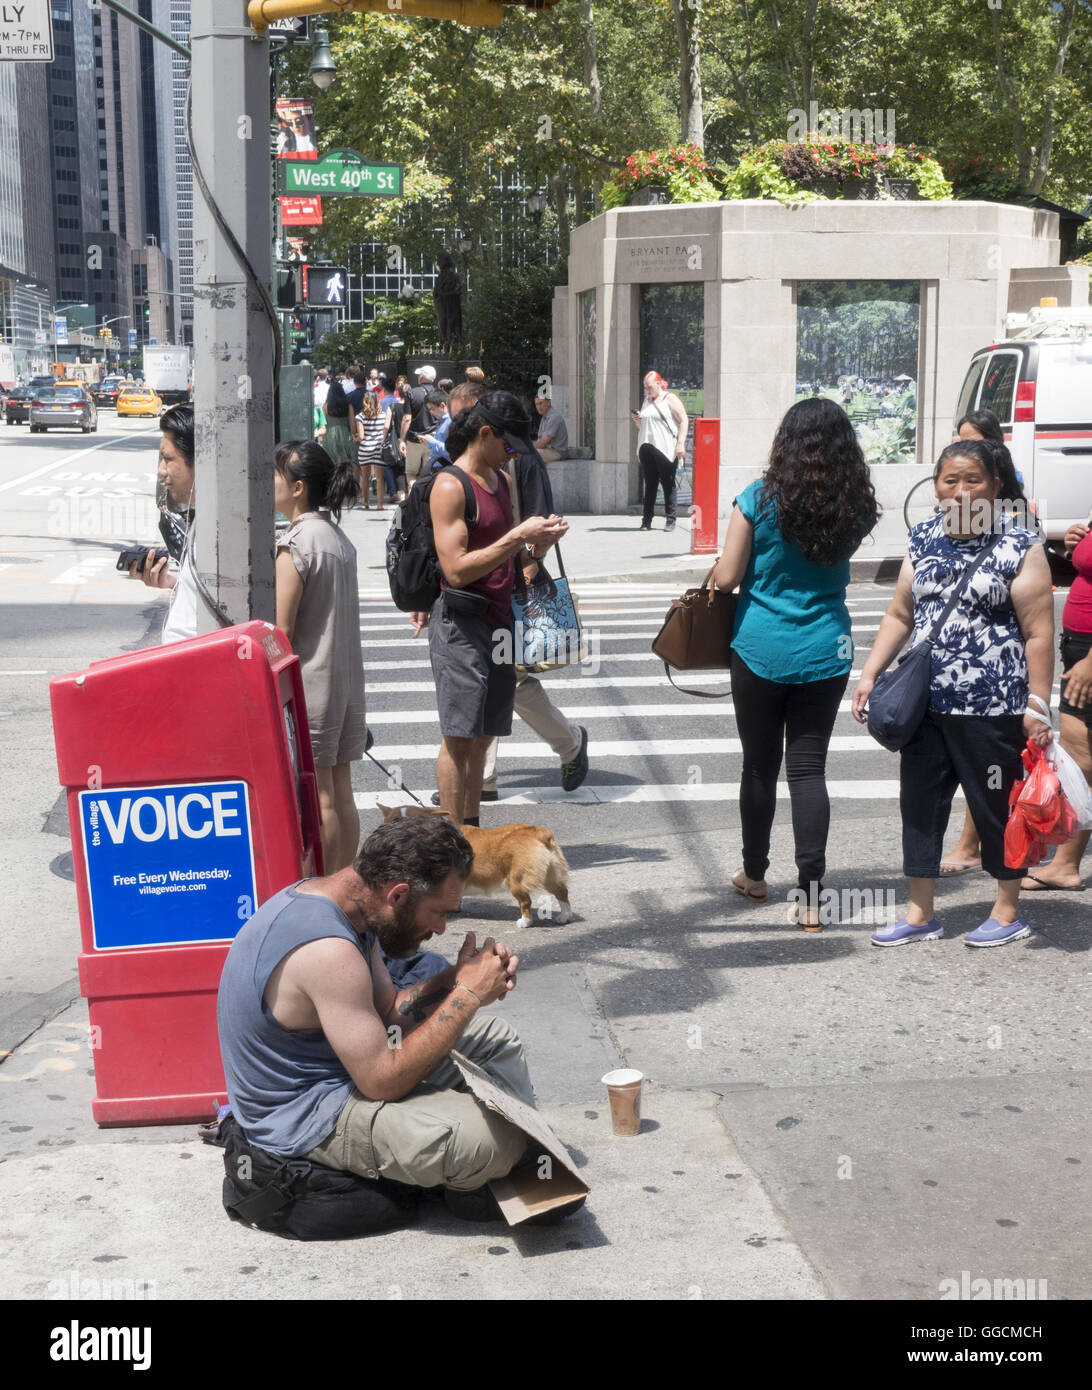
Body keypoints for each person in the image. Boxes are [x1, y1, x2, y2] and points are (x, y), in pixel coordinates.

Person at [217, 815, 539, 1214]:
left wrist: (455, 978)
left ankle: (490, 1160)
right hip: (308, 1114)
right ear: (398, 895)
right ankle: (475, 1176)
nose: (440, 929)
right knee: (492, 1141)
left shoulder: (348, 906)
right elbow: (382, 1081)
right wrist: (468, 996)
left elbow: (388, 1012)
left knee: (497, 1037)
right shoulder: (328, 950)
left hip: (345, 1067)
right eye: (439, 912)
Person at [852, 439, 1055, 947]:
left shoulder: (1020, 544)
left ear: (996, 486)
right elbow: (901, 613)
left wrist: (1037, 703)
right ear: (936, 486)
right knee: (920, 806)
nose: (961, 491)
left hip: (992, 706)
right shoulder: (922, 538)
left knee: (993, 808)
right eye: (950, 480)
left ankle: (1008, 912)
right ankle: (921, 914)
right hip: (927, 705)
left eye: (973, 481)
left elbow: (1038, 634)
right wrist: (870, 673)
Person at [714, 398, 880, 930]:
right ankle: (811, 898)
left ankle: (755, 875)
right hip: (825, 649)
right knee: (809, 771)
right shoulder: (854, 504)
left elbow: (724, 580)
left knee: (759, 765)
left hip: (760, 647)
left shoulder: (757, 499)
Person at [412, 392, 567, 827]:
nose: (513, 454)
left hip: (502, 619)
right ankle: (452, 842)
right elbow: (457, 570)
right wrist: (519, 536)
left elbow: (512, 557)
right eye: (509, 445)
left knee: (483, 736)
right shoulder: (450, 485)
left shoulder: (505, 481)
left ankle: (472, 834)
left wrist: (539, 545)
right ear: (485, 433)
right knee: (458, 739)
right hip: (462, 623)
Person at [937, 411, 1028, 875]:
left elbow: (1034, 626)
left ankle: (982, 847)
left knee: (987, 770)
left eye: (969, 441)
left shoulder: (1009, 517)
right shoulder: (937, 528)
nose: (960, 443)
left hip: (994, 681)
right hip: (945, 682)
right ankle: (975, 843)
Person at [274, 441, 366, 873]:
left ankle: (327, 890)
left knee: (322, 796)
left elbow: (283, 631)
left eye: (275, 477)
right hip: (347, 685)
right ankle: (348, 885)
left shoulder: (296, 543)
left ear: (296, 488)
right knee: (342, 791)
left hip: (313, 684)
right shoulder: (337, 538)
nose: (268, 484)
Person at [1020, 515, 1092, 890]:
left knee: (1083, 762)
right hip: (1080, 649)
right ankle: (1065, 864)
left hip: (1089, 657)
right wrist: (1074, 544)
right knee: (1083, 763)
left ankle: (1065, 863)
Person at [129, 403, 201, 643]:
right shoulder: (200, 523)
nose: (161, 471)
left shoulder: (222, 533)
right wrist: (171, 582)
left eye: (168, 459)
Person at [631, 371, 688, 531]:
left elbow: (684, 419)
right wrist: (637, 420)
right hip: (647, 446)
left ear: (658, 383)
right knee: (650, 484)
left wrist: (681, 443)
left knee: (668, 483)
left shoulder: (669, 398)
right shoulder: (646, 401)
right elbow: (642, 426)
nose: (647, 391)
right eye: (645, 388)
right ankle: (646, 520)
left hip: (665, 447)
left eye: (649, 387)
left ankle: (671, 519)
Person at [399, 365, 437, 480]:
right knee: (429, 474)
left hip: (414, 439)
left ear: (421, 377)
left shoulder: (411, 393)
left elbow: (407, 418)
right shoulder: (438, 393)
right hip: (432, 439)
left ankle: (412, 497)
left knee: (411, 473)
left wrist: (402, 440)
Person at [353, 390, 390, 510]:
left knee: (365, 477)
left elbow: (361, 436)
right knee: (380, 478)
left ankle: (366, 501)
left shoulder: (360, 416)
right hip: (379, 448)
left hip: (365, 449)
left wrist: (355, 438)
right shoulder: (383, 415)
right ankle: (379, 504)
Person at [322, 375, 355, 466]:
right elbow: (352, 424)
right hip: (345, 435)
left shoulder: (325, 406)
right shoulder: (348, 405)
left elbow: (323, 425)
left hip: (329, 435)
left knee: (331, 463)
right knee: (345, 463)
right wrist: (352, 436)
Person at [533, 390, 569, 462]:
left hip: (557, 452)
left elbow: (542, 443)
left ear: (548, 403)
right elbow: (539, 440)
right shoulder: (545, 417)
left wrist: (525, 447)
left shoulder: (554, 417)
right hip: (548, 450)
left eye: (541, 403)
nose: (538, 407)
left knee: (525, 455)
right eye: (536, 404)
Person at [423, 389, 452, 471]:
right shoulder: (441, 421)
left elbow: (451, 451)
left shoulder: (451, 422)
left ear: (442, 405)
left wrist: (431, 441)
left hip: (443, 469)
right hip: (436, 466)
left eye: (432, 409)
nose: (431, 412)